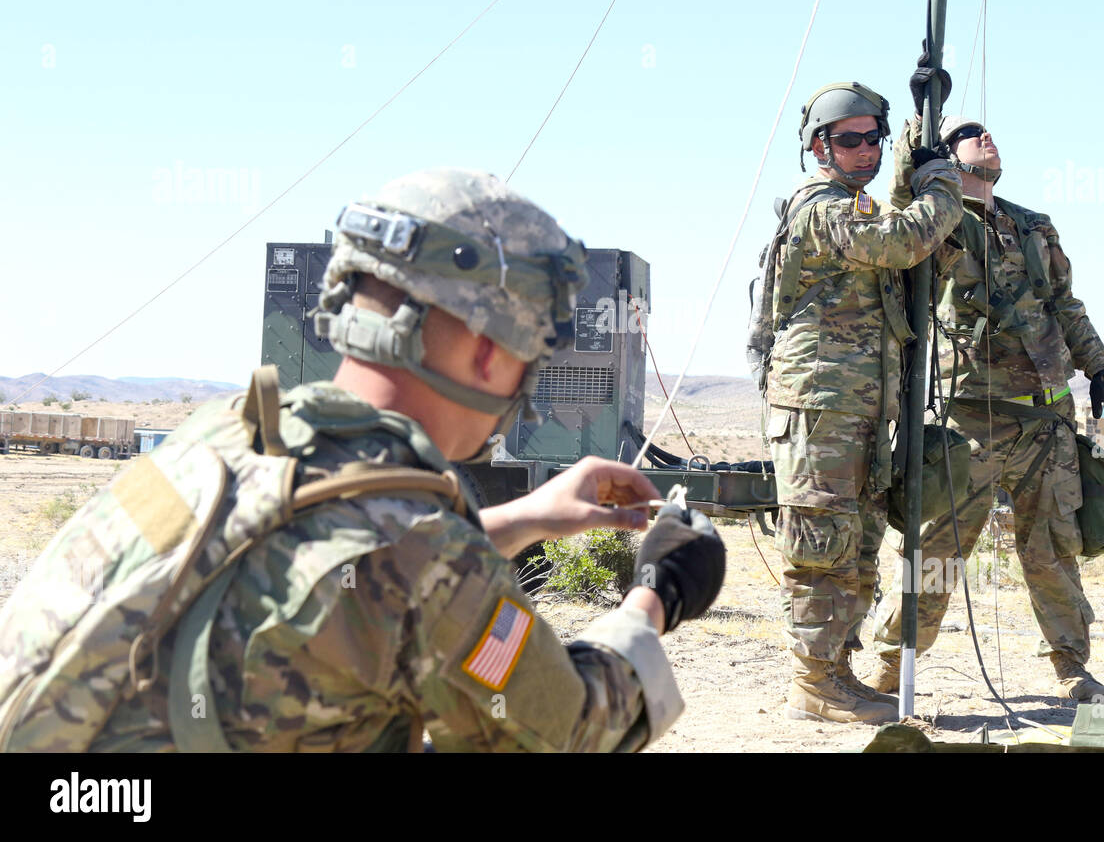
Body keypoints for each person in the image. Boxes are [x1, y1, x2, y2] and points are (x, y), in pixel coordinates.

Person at [0, 167, 726, 752]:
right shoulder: (416, 556)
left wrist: (530, 516)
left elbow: (356, 574)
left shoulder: (224, 442)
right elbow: (563, 729)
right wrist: (660, 593)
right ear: (488, 350)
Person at [867, 116, 1104, 705]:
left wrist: (1099, 367)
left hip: (1047, 419)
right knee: (935, 554)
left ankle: (1073, 672)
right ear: (948, 157)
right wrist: (917, 126)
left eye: (988, 132)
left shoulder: (1033, 226)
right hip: (972, 422)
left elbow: (1065, 302)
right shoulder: (938, 223)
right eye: (969, 134)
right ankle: (888, 667)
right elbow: (901, 200)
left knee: (1053, 551)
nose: (987, 137)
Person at [753, 82, 963, 723]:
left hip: (862, 407)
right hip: (821, 406)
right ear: (819, 147)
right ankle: (812, 682)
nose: (865, 149)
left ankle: (837, 670)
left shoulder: (857, 202)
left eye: (875, 137)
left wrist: (915, 138)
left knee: (857, 541)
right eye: (850, 140)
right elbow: (901, 239)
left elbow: (896, 219)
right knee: (821, 543)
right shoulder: (821, 205)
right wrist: (944, 184)